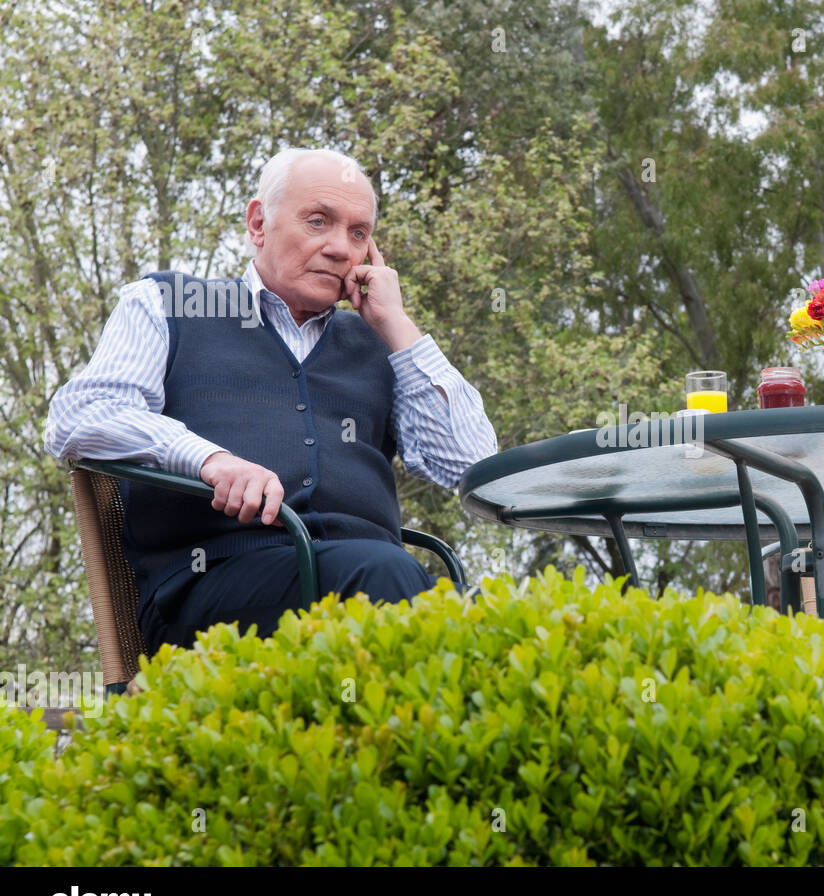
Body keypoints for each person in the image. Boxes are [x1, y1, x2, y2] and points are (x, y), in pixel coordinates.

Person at [44, 147, 497, 656]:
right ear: (258, 223)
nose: (340, 248)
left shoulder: (380, 344)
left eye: (358, 233)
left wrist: (399, 327)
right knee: (398, 584)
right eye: (318, 221)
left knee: (492, 629)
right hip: (212, 590)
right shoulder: (169, 304)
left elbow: (473, 467)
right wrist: (209, 459)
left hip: (370, 587)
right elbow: (78, 417)